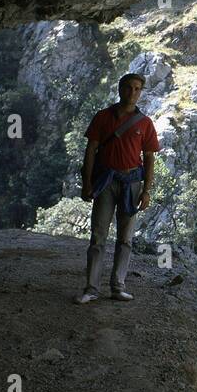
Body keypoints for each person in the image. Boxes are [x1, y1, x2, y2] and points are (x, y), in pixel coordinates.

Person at [75, 72, 160, 303]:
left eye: (137, 89)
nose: (132, 93)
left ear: (140, 92)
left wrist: (146, 190)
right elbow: (90, 150)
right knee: (98, 235)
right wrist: (87, 183)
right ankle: (91, 288)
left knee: (125, 239)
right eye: (128, 88)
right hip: (105, 182)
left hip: (132, 184)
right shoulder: (103, 117)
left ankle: (117, 286)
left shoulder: (145, 123)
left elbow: (150, 158)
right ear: (120, 89)